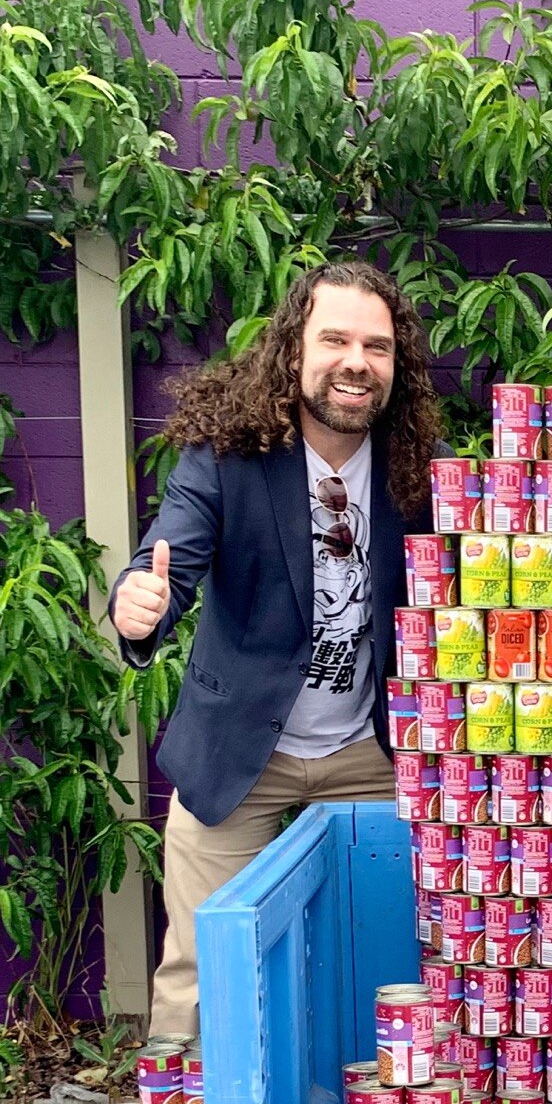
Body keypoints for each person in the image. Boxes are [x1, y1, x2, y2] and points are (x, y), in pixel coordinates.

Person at [110, 260, 443, 1039]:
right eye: (335, 339)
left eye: (378, 346)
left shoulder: (419, 472)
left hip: (373, 751)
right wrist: (139, 609)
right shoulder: (225, 460)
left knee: (395, 960)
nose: (356, 362)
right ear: (294, 349)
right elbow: (168, 560)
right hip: (239, 750)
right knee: (197, 973)